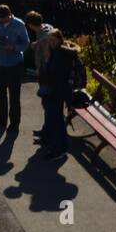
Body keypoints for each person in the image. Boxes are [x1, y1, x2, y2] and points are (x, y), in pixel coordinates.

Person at [0, 4, 29, 129]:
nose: (3, 21)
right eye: (1, 19)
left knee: (14, 95)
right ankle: (1, 119)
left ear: (10, 15)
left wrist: (13, 47)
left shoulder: (19, 24)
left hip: (14, 64)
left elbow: (26, 44)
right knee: (0, 93)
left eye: (5, 19)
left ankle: (14, 123)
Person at [37, 29, 74, 160]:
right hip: (53, 92)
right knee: (54, 120)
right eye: (50, 40)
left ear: (60, 40)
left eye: (54, 40)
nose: (51, 43)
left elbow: (57, 75)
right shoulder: (54, 53)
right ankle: (58, 146)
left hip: (55, 93)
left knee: (56, 121)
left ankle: (57, 149)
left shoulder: (61, 55)